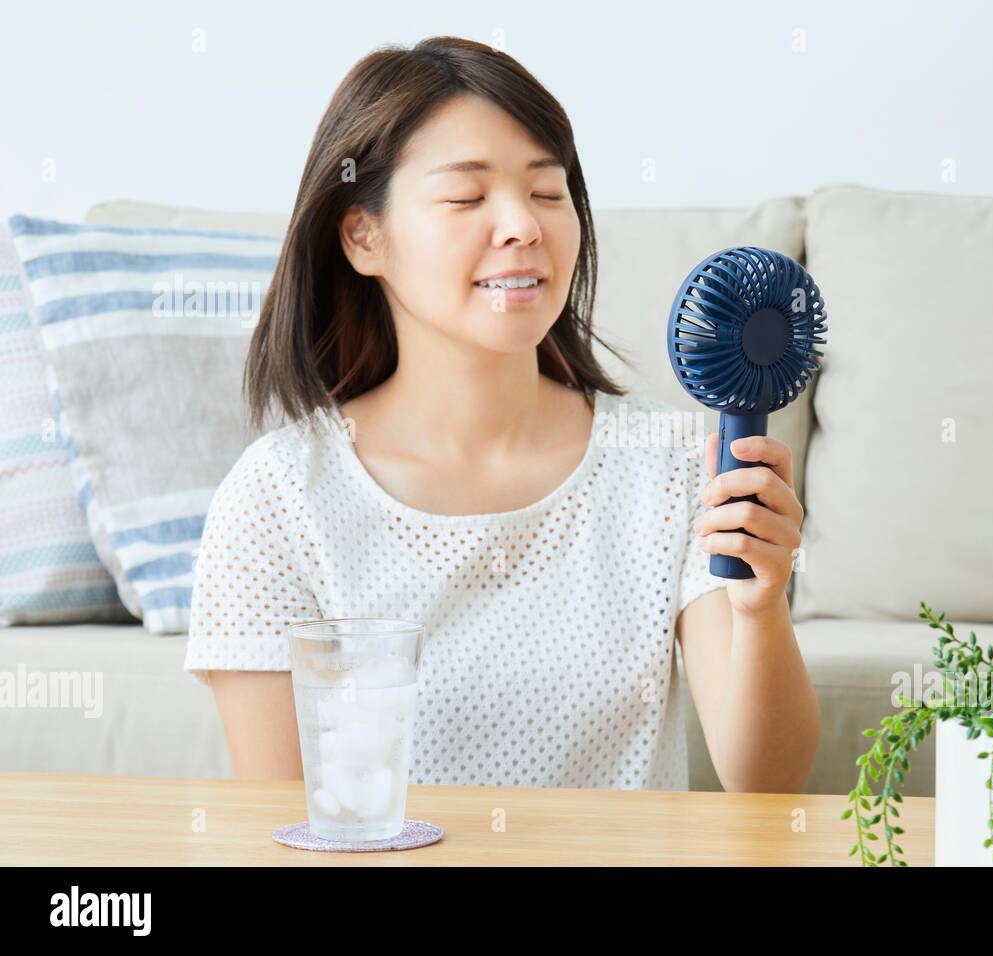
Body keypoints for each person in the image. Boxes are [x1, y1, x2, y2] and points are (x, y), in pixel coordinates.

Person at [185, 35, 820, 793]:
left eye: (548, 193)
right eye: (466, 196)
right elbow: (281, 826)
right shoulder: (278, 498)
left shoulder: (676, 459)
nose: (524, 225)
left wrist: (759, 611)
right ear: (363, 235)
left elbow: (768, 784)